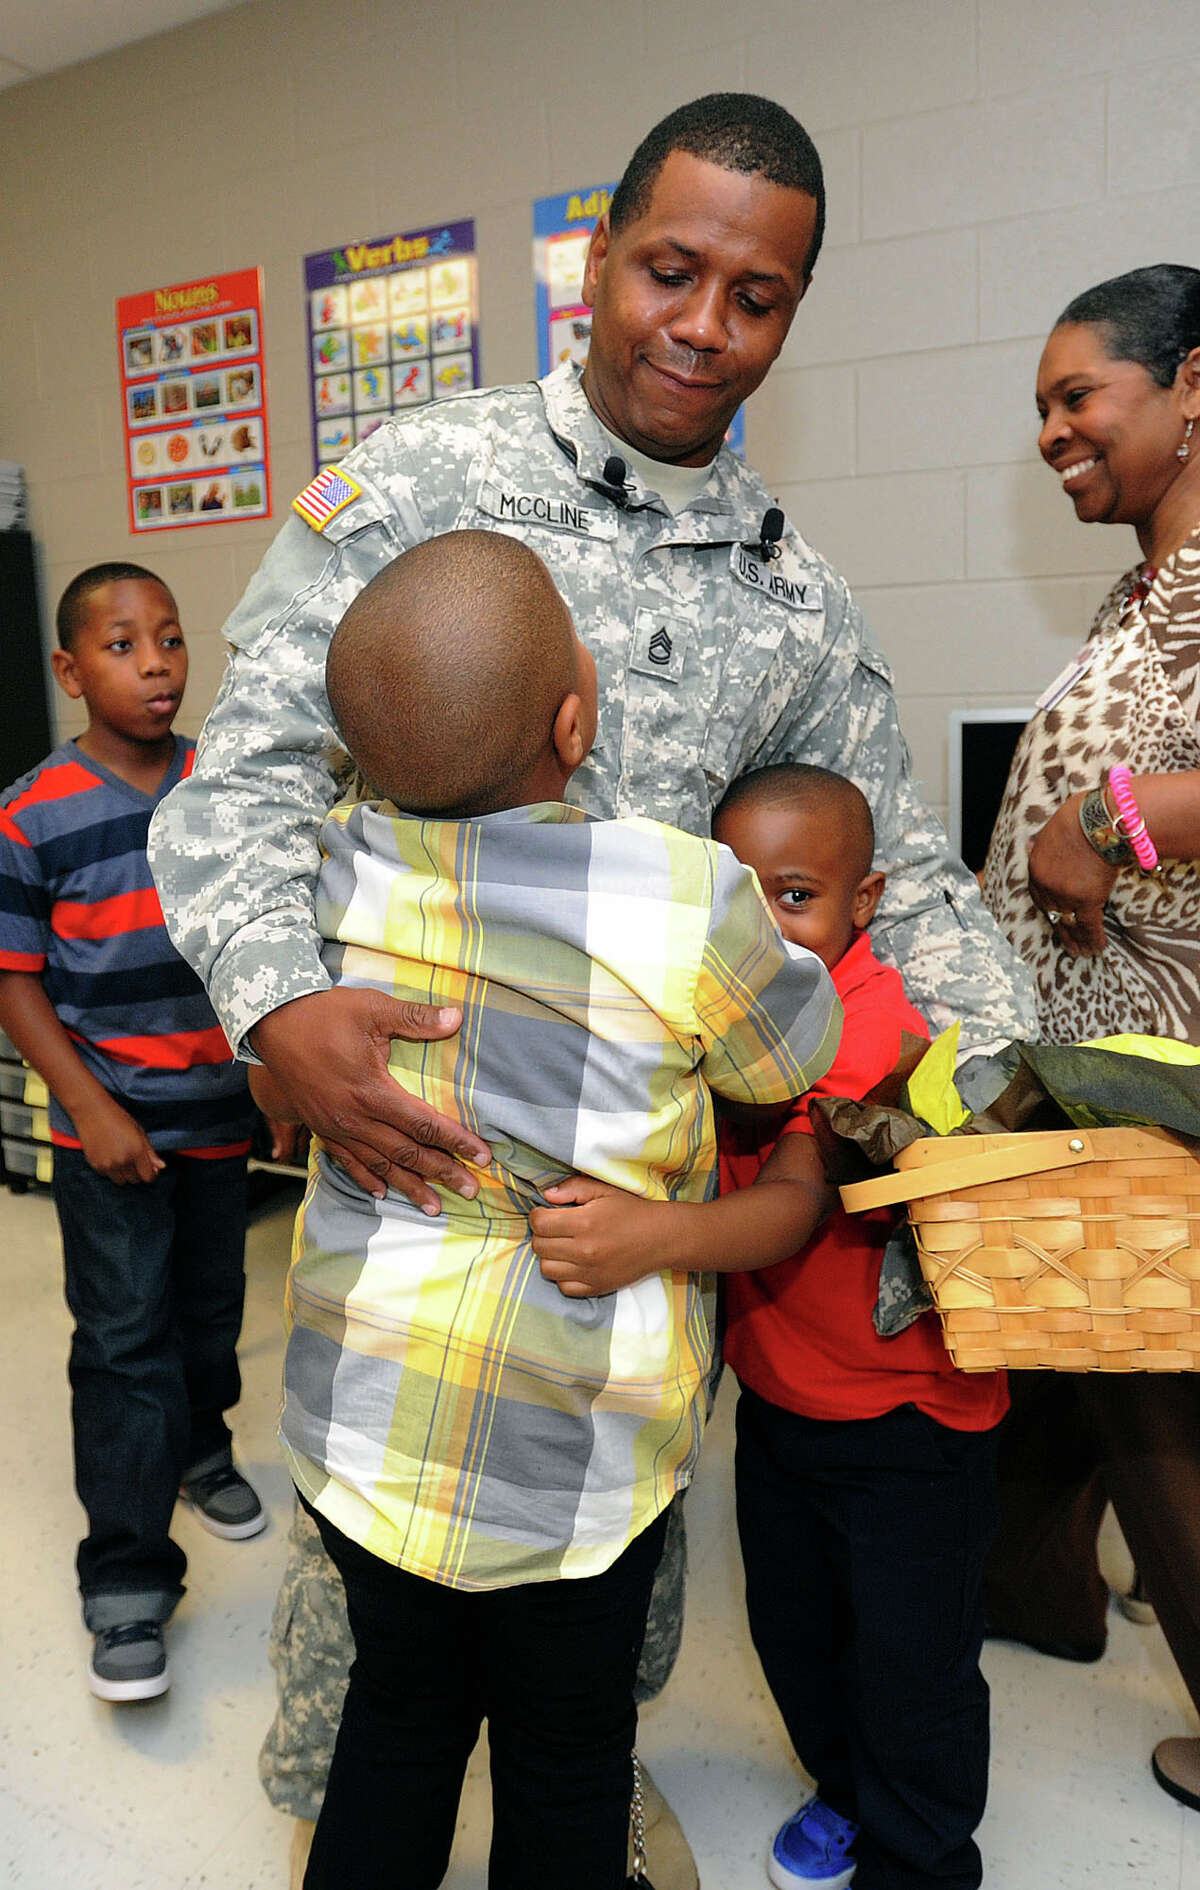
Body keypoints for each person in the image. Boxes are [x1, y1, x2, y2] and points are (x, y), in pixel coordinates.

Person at [147, 92, 1033, 1880]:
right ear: (601, 256)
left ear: (795, 312)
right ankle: (355, 1803)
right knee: (379, 1622)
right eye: (671, 270)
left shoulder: (794, 593)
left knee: (595, 1605)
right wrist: (271, 1005)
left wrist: (1016, 1087)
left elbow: (907, 869)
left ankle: (581, 1786)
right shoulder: (418, 484)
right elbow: (239, 776)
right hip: (413, 1166)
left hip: (630, 1235)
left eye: (758, 297)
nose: (705, 328)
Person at [258, 530, 841, 1890]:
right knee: (569, 1752)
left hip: (367, 1432)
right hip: (571, 1459)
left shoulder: (332, 877)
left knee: (393, 1726)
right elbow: (786, 1058)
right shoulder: (688, 899)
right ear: (578, 719)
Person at [533, 763, 1008, 1890]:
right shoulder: (722, 1015)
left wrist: (645, 1232)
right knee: (796, 1639)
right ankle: (848, 1792)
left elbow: (782, 1211)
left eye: (793, 896)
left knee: (914, 1671)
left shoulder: (864, 1021)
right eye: (735, 899)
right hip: (788, 1413)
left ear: (866, 901)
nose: (765, 928)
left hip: (913, 1429)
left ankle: (923, 1859)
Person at [979, 264, 1200, 1816]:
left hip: (1159, 1077)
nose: (1056, 433)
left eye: (1081, 397)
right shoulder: (1150, 581)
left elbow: (1132, 806)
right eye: (1043, 410)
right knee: (1066, 1373)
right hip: (1087, 1072)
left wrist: (1107, 824)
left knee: (1150, 1398)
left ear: (1194, 385)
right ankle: (1039, 1592)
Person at [0, 563, 274, 1705]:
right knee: (121, 1341)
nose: (156, 663)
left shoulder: (225, 794)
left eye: (169, 638)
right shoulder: (30, 812)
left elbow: (263, 942)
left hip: (222, 1122)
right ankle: (123, 1578)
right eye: (122, 646)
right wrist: (95, 1108)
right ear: (69, 670)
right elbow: (15, 986)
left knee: (210, 1312)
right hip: (107, 1129)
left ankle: (200, 1450)